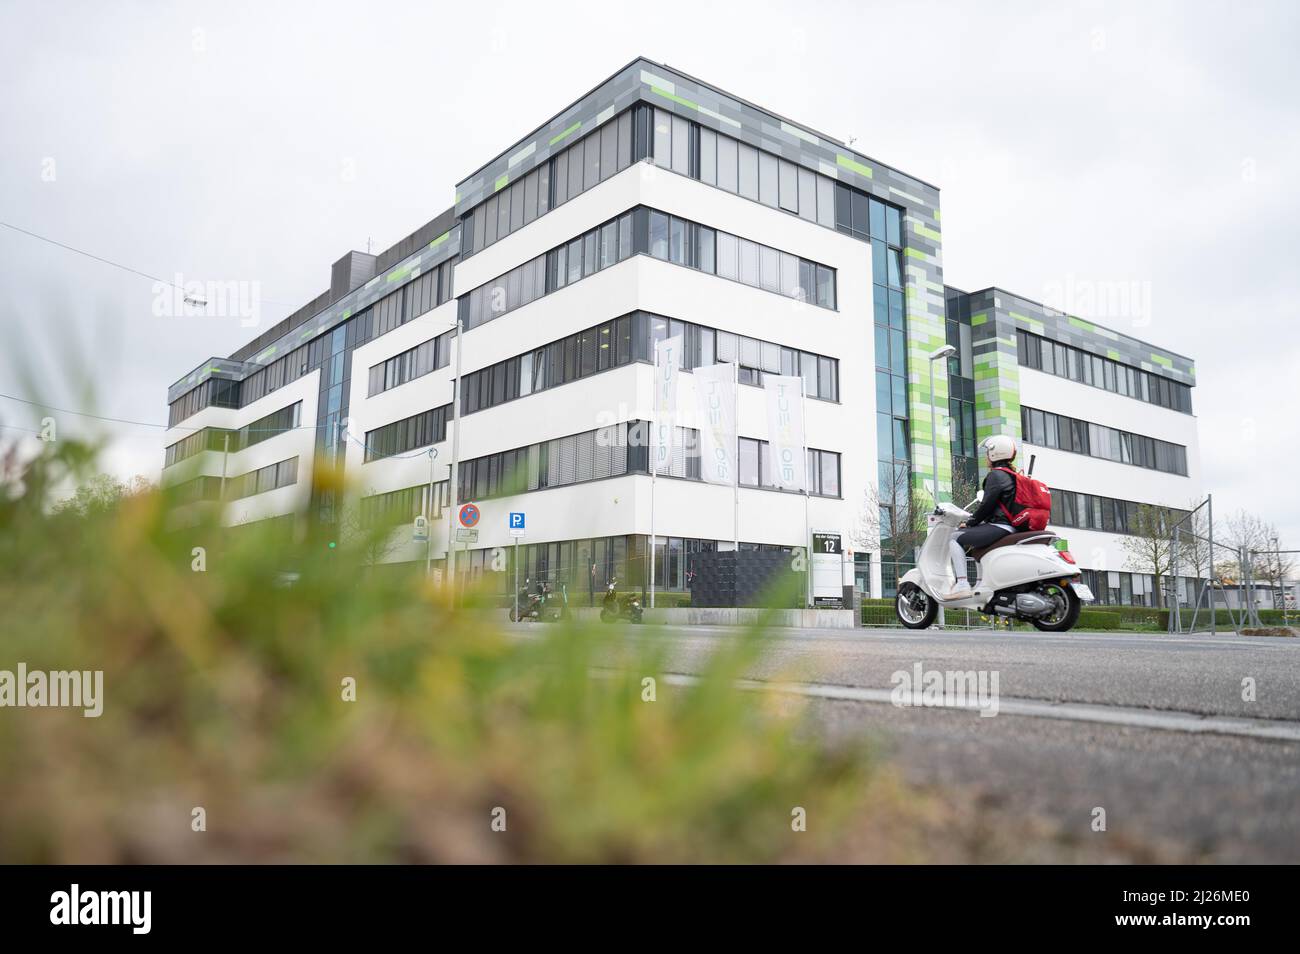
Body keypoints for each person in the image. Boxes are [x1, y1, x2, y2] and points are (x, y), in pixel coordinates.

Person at [946, 435, 1020, 600]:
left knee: (955, 537)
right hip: (1010, 527)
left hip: (1001, 527)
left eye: (987, 453)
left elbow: (986, 506)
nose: (986, 457)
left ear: (995, 454)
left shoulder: (996, 476)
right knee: (976, 546)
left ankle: (963, 583)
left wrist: (970, 522)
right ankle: (981, 584)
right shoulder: (1012, 475)